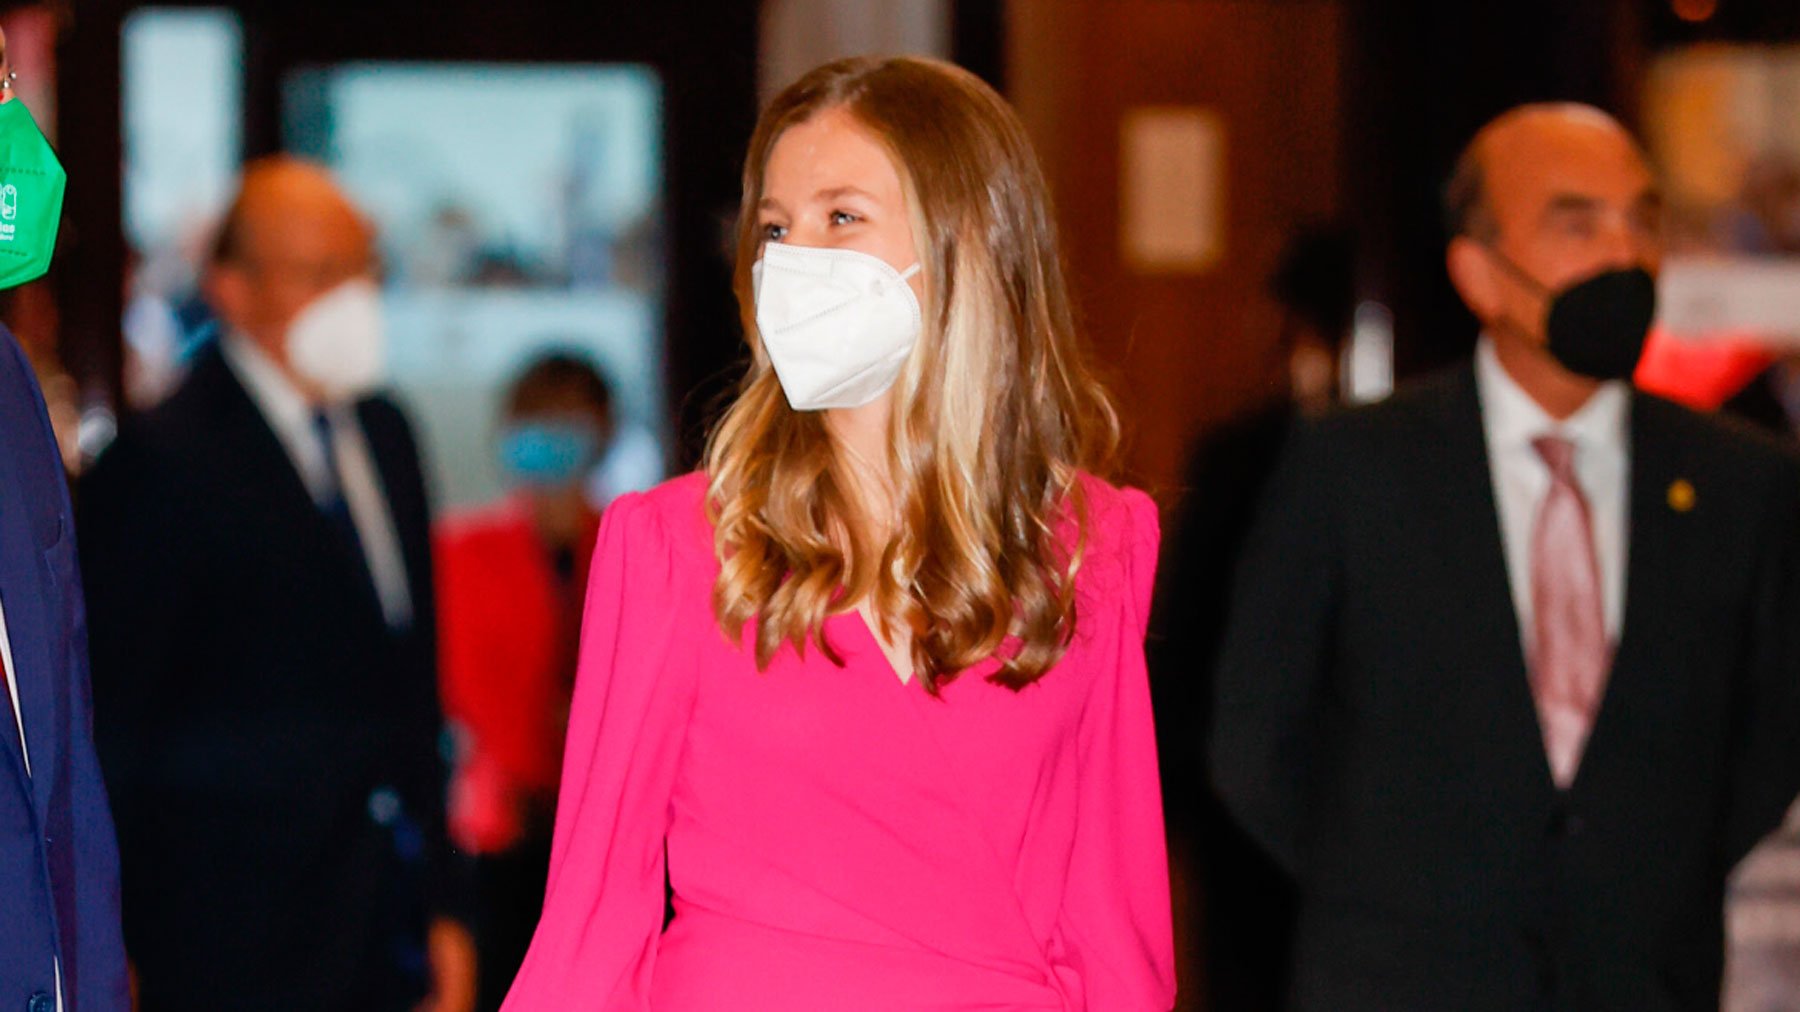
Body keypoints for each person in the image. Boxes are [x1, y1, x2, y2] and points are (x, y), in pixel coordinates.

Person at [502, 56, 1175, 1010]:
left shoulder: (1093, 541)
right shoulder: (674, 543)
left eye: (841, 216)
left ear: (970, 236)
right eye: (774, 228)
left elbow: (1114, 923)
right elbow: (591, 920)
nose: (792, 258)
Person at [1211, 103, 1800, 1010]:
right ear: (1479, 274)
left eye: (1642, 219)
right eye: (1577, 222)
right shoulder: (1349, 466)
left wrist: (1633, 877)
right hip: (1395, 982)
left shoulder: (1743, 483)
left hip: (1641, 982)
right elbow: (1254, 740)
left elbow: (1769, 745)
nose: (1623, 252)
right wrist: (1399, 892)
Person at [78, 156, 475, 1011]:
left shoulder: (386, 430)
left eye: (363, 268)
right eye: (318, 273)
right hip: (225, 939)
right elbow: (119, 721)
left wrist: (444, 905)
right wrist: (117, 937)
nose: (351, 297)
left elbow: (413, 690)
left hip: (382, 926)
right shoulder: (161, 460)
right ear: (230, 287)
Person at [1151, 226, 1353, 1011]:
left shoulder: (1240, 457)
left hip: (1248, 797)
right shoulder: (1239, 456)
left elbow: (1186, 640)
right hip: (1246, 805)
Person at [435, 352, 613, 1012]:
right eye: (536, 417)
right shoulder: (462, 549)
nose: (553, 433)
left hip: (602, 831)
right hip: (498, 830)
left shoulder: (632, 541)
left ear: (603, 429)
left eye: (570, 416)